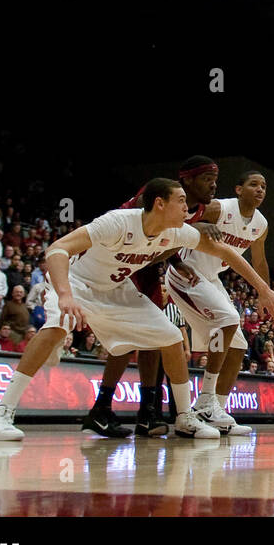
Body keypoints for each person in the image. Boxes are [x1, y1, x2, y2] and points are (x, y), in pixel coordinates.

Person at [0, 178, 274, 441]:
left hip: (116, 291)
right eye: (180, 202)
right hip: (76, 282)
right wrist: (66, 295)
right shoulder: (117, 222)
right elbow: (56, 249)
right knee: (57, 326)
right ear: (160, 204)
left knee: (171, 338)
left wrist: (264, 289)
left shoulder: (176, 232)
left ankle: (185, 418)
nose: (186, 209)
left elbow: (223, 251)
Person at [83, 156, 227, 439]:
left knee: (155, 339)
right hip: (120, 262)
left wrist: (177, 261)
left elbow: (164, 242)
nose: (213, 186)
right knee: (124, 340)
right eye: (207, 179)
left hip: (146, 267)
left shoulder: (196, 210)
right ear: (186, 179)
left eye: (215, 180)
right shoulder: (159, 192)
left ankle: (147, 412)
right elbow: (145, 230)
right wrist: (190, 233)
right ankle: (102, 408)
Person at [164, 170, 274, 436]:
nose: (260, 189)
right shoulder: (217, 208)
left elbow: (259, 262)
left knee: (239, 345)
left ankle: (216, 409)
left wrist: (265, 293)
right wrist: (199, 226)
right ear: (239, 189)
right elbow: (175, 225)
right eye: (253, 184)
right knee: (228, 319)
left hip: (211, 279)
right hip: (186, 273)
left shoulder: (261, 224)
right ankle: (204, 400)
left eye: (263, 186)